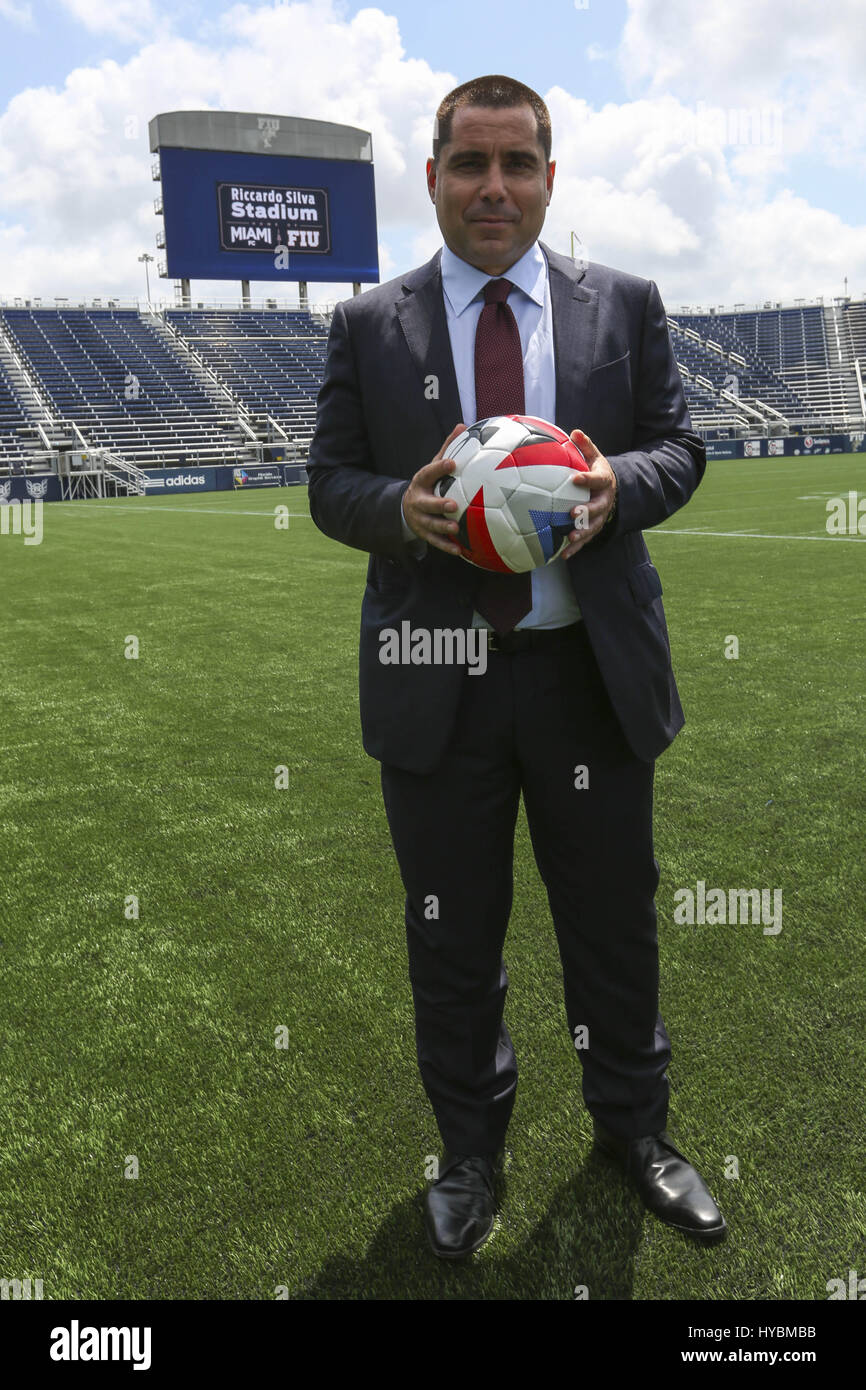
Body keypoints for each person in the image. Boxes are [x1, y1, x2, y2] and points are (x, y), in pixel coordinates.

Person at [307, 74, 726, 1259]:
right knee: (452, 934)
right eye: (468, 164)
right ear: (431, 174)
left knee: (612, 924)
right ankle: (470, 1157)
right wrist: (404, 509)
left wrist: (615, 486)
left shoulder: (624, 306)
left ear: (550, 177)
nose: (493, 187)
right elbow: (328, 482)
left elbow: (681, 447)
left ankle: (635, 1134)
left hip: (587, 673)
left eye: (517, 164)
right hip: (436, 675)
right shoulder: (367, 324)